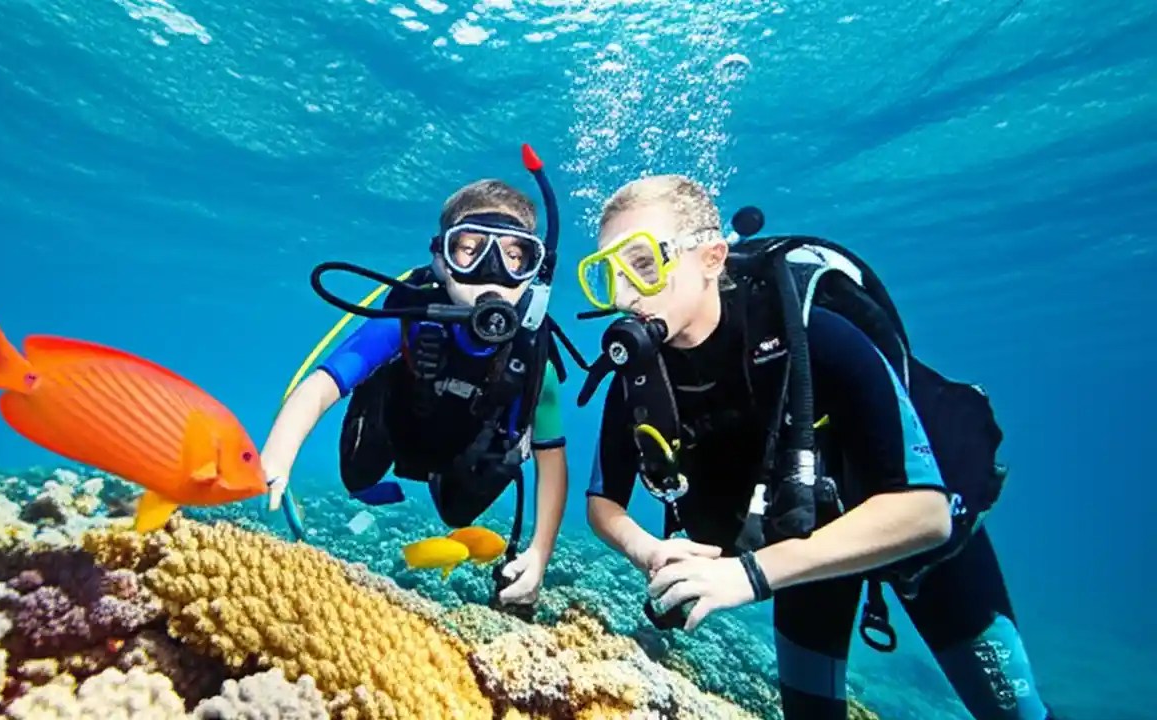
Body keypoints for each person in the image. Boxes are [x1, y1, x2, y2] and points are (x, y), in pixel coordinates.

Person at [575, 174, 1055, 719]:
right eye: (605, 275)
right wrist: (646, 548)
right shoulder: (639, 374)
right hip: (801, 556)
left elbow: (927, 515)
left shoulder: (813, 334)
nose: (622, 295)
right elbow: (603, 502)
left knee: (1018, 715)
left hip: (920, 555)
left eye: (642, 263)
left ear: (711, 258)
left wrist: (749, 574)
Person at [259, 147, 577, 609]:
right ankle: (377, 447)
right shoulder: (405, 320)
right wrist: (278, 455)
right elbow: (320, 386)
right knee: (357, 477)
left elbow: (553, 462)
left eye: (515, 257)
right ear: (441, 262)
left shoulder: (534, 355)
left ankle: (444, 479)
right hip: (398, 422)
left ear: (534, 273)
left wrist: (539, 555)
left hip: (467, 442)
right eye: (469, 250)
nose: (492, 273)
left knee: (458, 515)